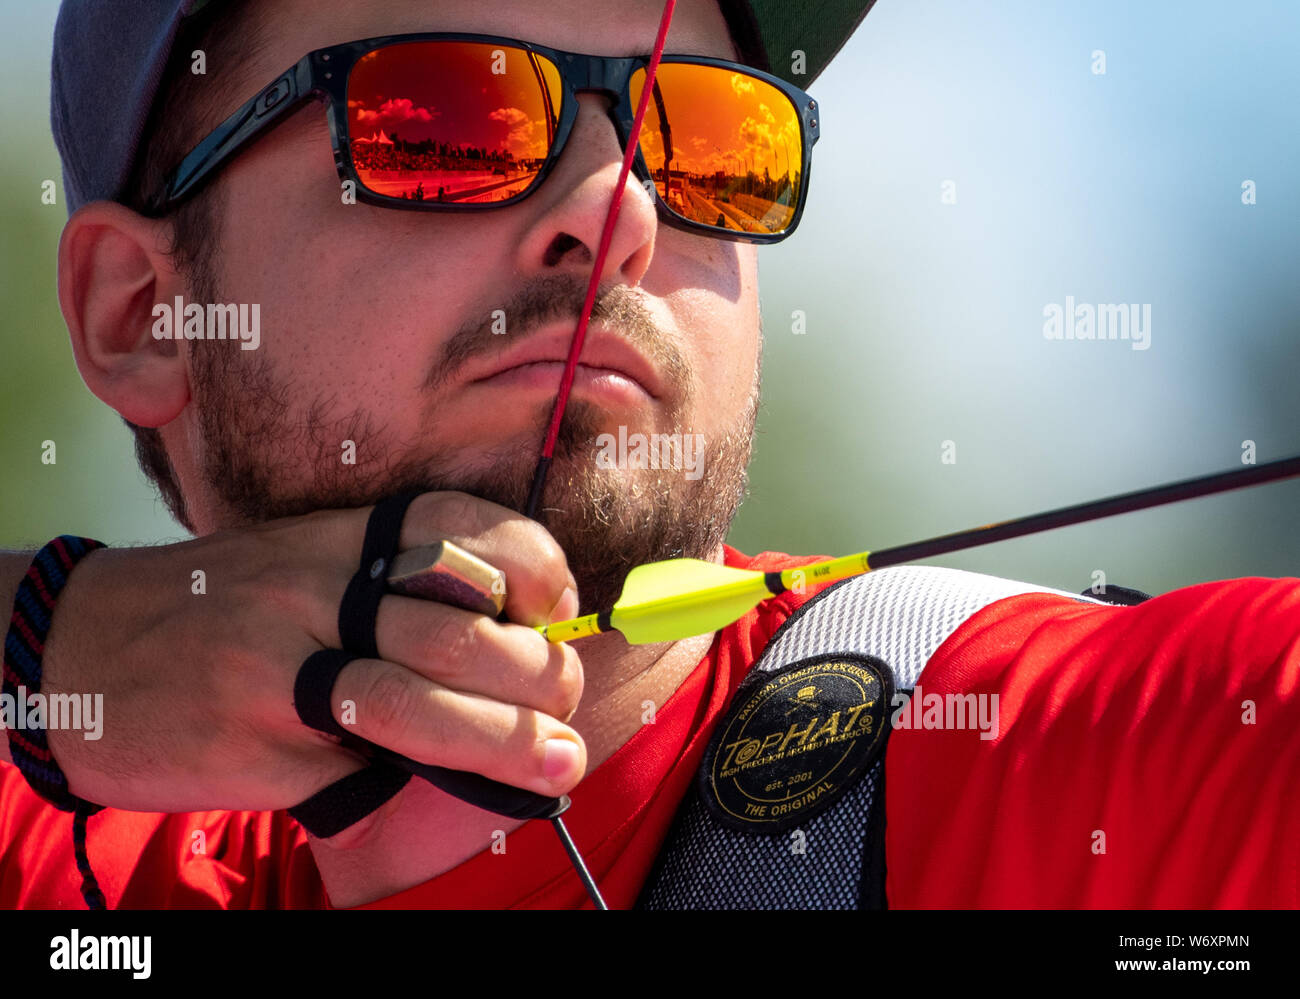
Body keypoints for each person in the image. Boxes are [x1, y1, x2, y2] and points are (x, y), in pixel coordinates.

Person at [2, 0, 1297, 911]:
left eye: (708, 145)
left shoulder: (1110, 762)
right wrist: (50, 644)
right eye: (447, 113)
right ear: (142, 314)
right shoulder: (94, 857)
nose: (618, 209)